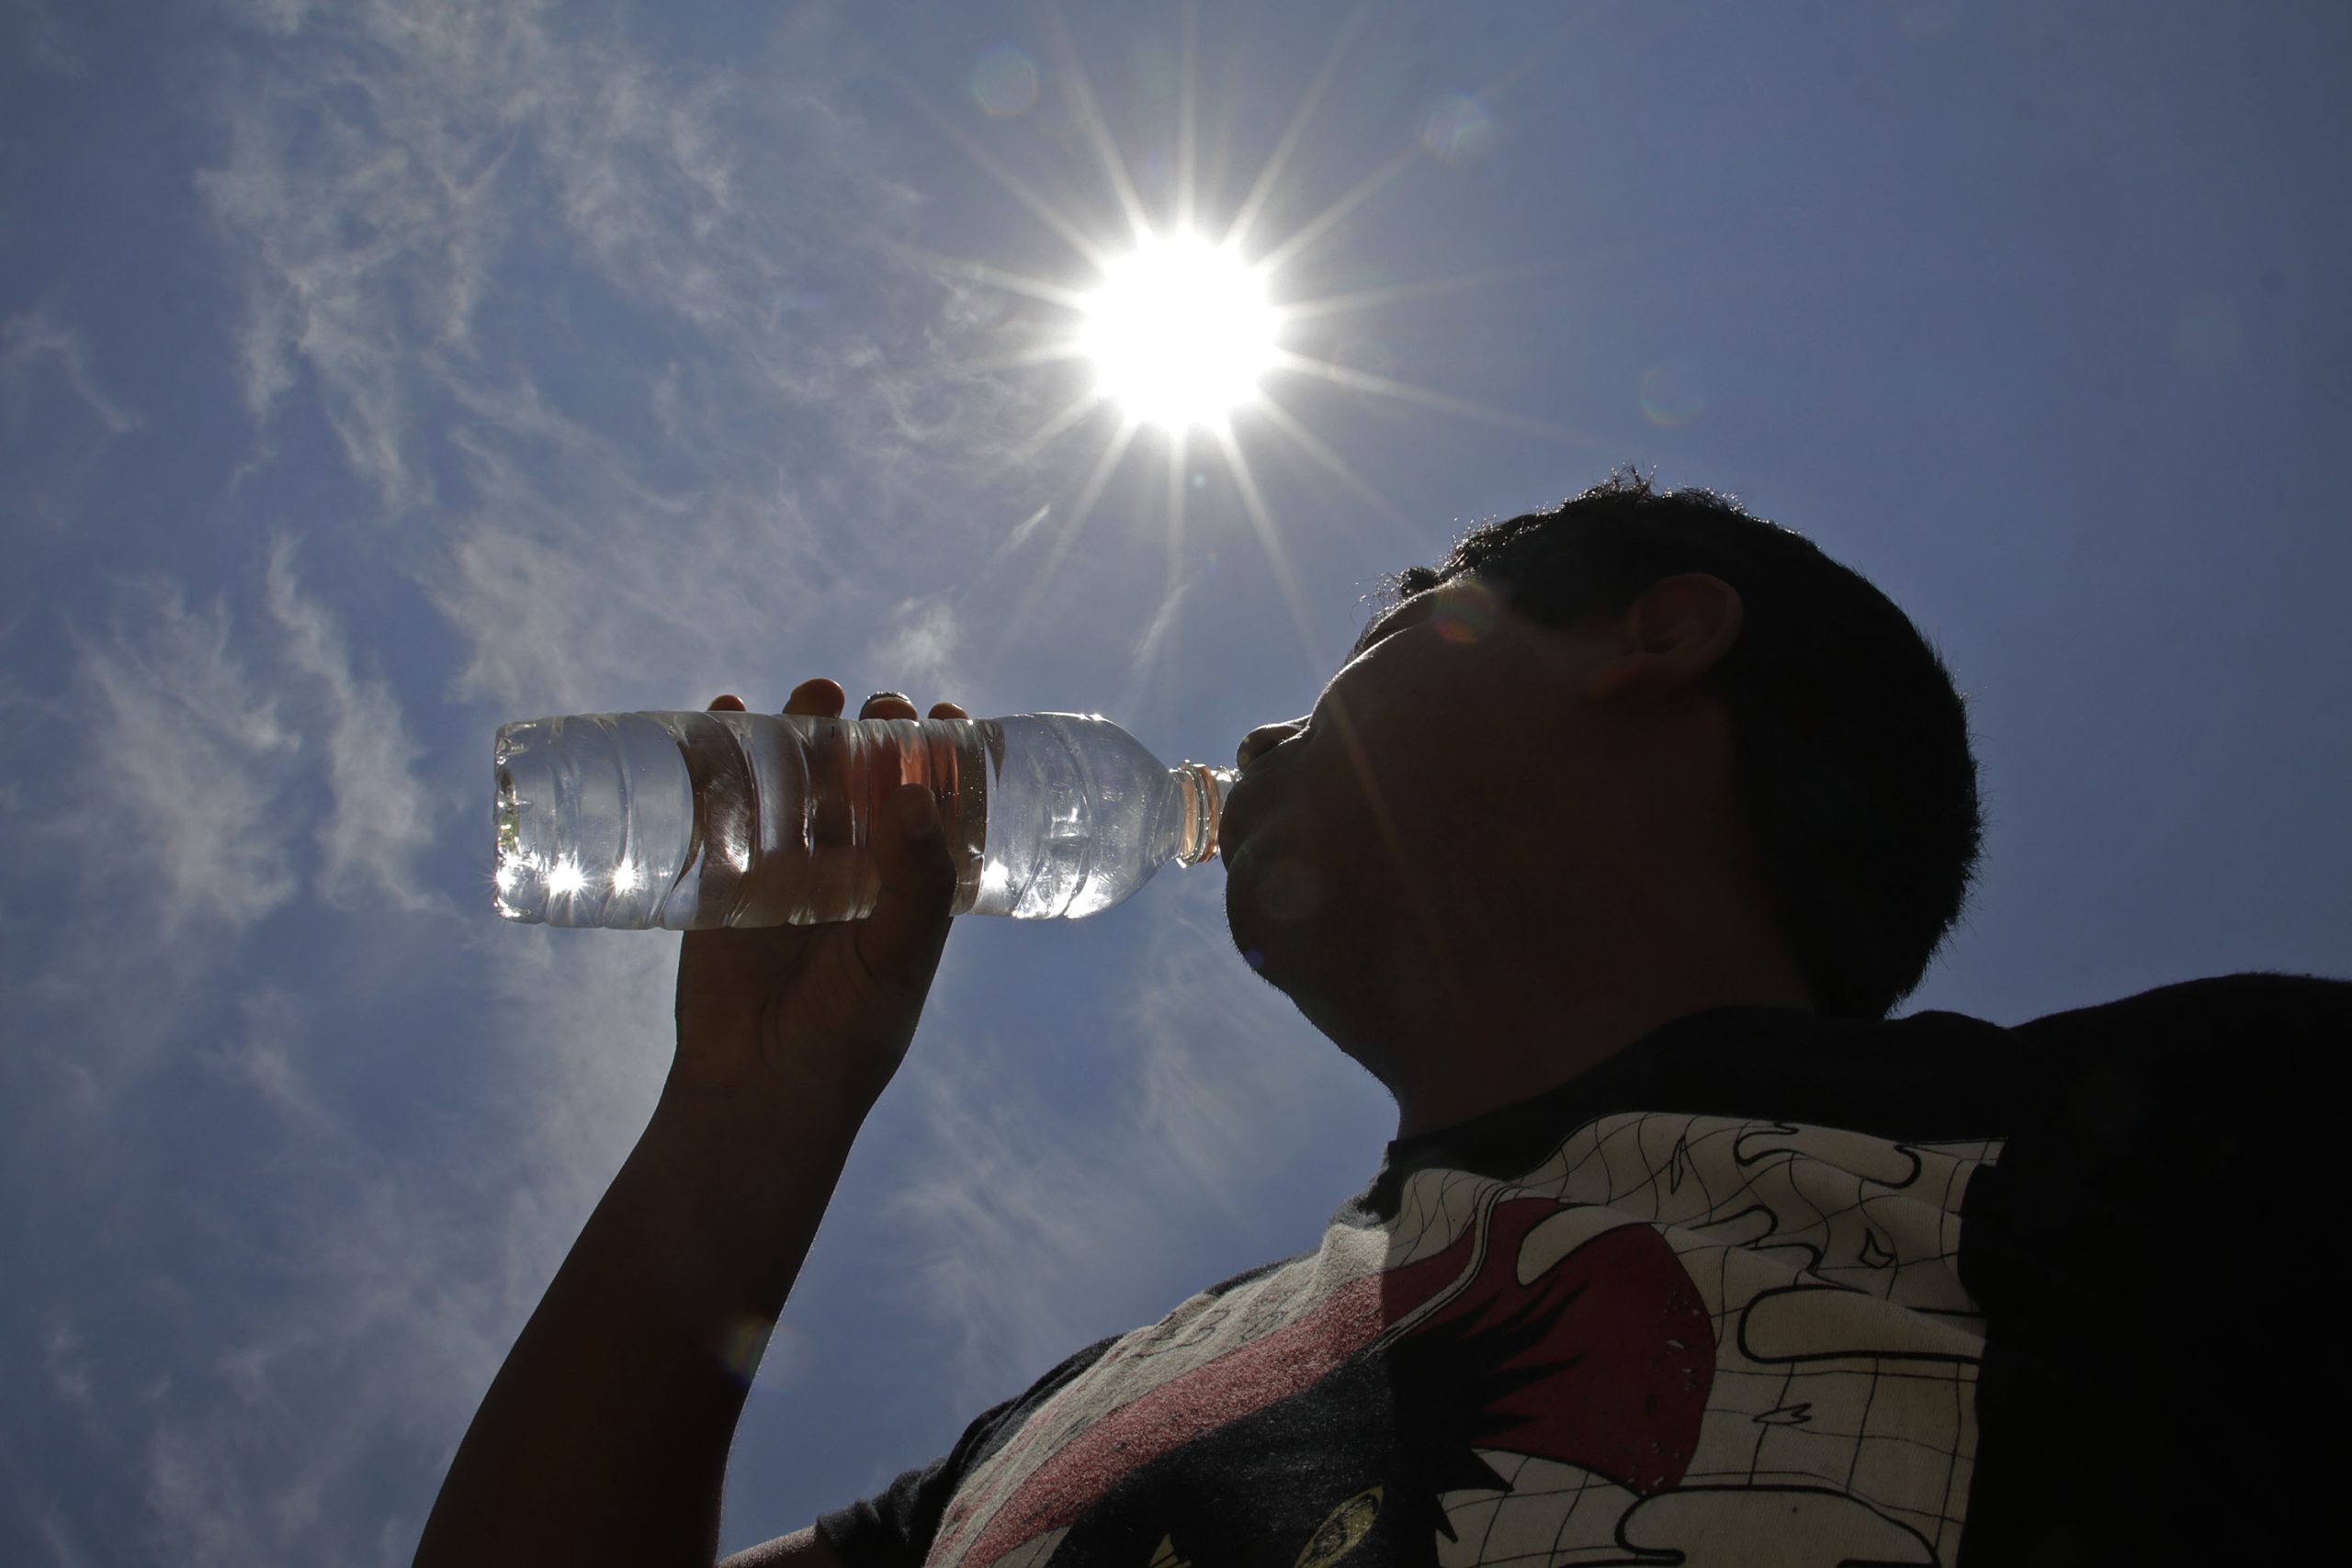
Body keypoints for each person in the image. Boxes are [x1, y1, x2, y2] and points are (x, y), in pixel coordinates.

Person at [414, 474, 2339, 1568]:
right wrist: (747, 1117)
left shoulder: (2181, 1142)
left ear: (1650, 638)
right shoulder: (1078, 1423)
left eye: (1407, 602)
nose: (1266, 719)